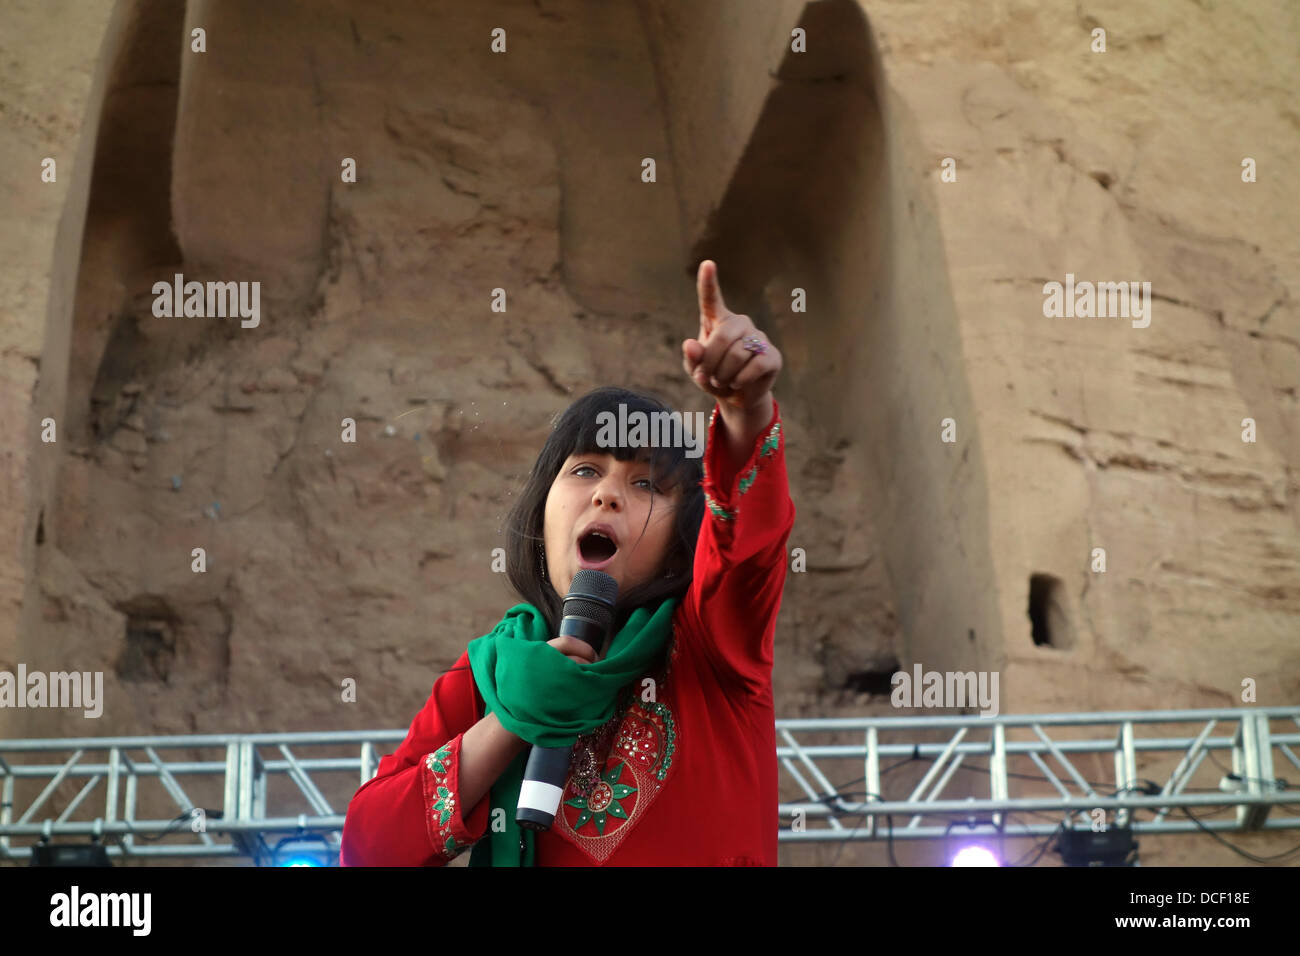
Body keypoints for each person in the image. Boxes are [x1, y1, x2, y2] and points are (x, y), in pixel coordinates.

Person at [340, 260, 795, 865]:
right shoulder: (492, 676)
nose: (607, 493)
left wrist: (746, 409)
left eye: (646, 485)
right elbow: (368, 849)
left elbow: (748, 544)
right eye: (585, 470)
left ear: (683, 536)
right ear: (543, 512)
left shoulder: (712, 644)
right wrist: (516, 719)